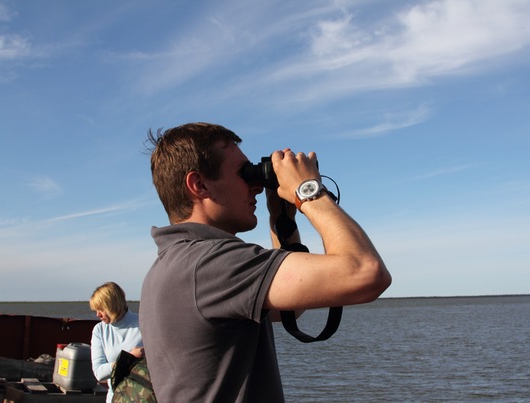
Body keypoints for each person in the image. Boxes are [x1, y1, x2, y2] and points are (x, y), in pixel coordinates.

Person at [140, 122, 391, 402]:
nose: (257, 187)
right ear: (199, 185)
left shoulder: (175, 264)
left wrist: (280, 217)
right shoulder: (210, 264)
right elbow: (366, 273)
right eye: (244, 173)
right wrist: (308, 191)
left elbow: (289, 309)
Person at [89, 282, 144, 403]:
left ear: (113, 305)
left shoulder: (143, 323)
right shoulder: (99, 330)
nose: (98, 314)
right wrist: (128, 358)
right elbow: (99, 373)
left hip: (143, 398)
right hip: (115, 398)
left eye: (101, 309)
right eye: (96, 310)